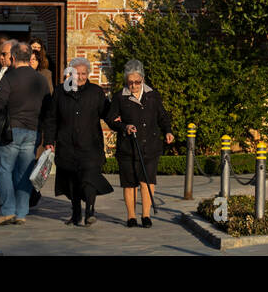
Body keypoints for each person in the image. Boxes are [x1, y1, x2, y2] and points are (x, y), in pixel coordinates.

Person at [42, 56, 114, 226]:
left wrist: (121, 121)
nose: (80, 77)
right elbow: (51, 118)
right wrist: (49, 141)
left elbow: (108, 113)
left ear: (88, 74)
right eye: (76, 73)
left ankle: (89, 211)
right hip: (67, 145)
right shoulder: (60, 92)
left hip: (90, 145)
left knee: (89, 179)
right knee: (72, 181)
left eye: (83, 73)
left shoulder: (96, 92)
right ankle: (75, 213)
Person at [107, 60, 173, 228]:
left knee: (147, 181)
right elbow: (110, 119)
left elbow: (162, 116)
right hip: (128, 147)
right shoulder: (120, 97)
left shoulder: (153, 95)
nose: (134, 85)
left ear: (143, 79)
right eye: (130, 82)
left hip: (150, 145)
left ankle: (145, 215)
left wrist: (168, 131)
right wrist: (124, 126)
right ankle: (131, 216)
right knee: (130, 183)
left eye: (137, 82)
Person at [0, 42, 50, 225]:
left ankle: (8, 210)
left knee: (4, 170)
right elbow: (48, 106)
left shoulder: (10, 76)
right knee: (24, 173)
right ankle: (22, 213)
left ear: (13, 58)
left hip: (11, 130)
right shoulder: (40, 79)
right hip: (32, 131)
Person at [27, 46, 54, 208]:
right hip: (25, 124)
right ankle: (30, 194)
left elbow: (48, 99)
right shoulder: (21, 76)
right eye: (29, 60)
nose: (31, 63)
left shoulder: (44, 76)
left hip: (37, 124)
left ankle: (33, 193)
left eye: (34, 60)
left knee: (33, 161)